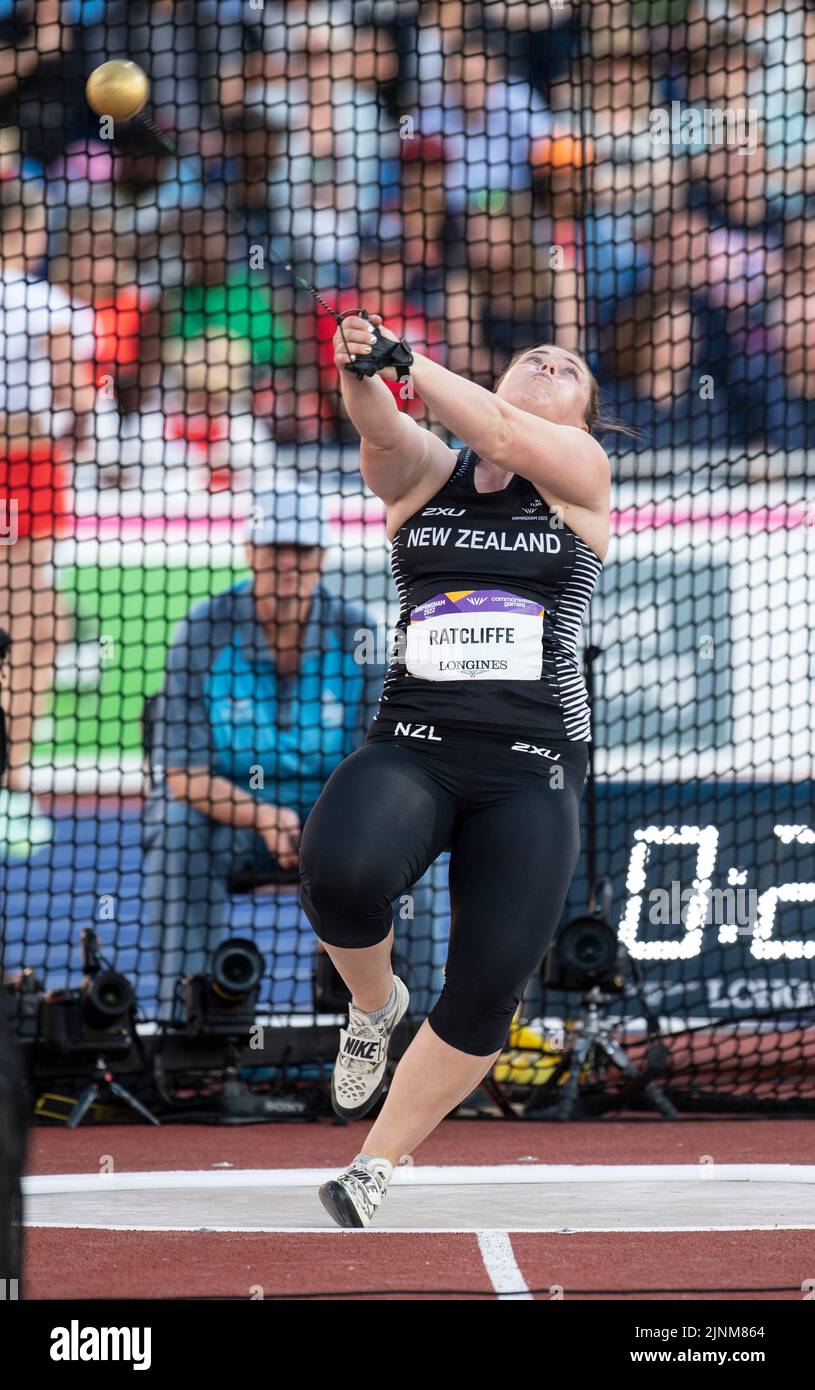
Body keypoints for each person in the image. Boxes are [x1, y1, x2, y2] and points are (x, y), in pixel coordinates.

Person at [299, 319, 611, 1228]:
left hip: (533, 761)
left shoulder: (580, 475)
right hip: (416, 739)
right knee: (339, 876)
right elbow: (383, 430)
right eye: (533, 359)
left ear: (585, 415)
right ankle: (373, 1004)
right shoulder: (432, 476)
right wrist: (360, 371)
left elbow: (506, 438)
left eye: (567, 369)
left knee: (489, 978)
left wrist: (406, 362)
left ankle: (374, 1164)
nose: (549, 366)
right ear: (499, 378)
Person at [143, 475, 442, 1023]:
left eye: (301, 551)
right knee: (175, 823)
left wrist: (328, 827)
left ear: (321, 557)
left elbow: (381, 764)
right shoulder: (202, 632)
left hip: (343, 822)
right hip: (234, 824)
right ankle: (186, 1021)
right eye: (276, 550)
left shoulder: (358, 635)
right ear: (251, 553)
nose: (289, 565)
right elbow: (182, 775)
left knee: (423, 840)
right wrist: (262, 816)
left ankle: (425, 1032)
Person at [0, 177, 95, 856]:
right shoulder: (48, 304)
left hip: (25, 465)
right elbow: (72, 393)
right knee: (29, 620)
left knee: (37, 617)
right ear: (31, 232)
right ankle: (14, 778)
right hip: (26, 464)